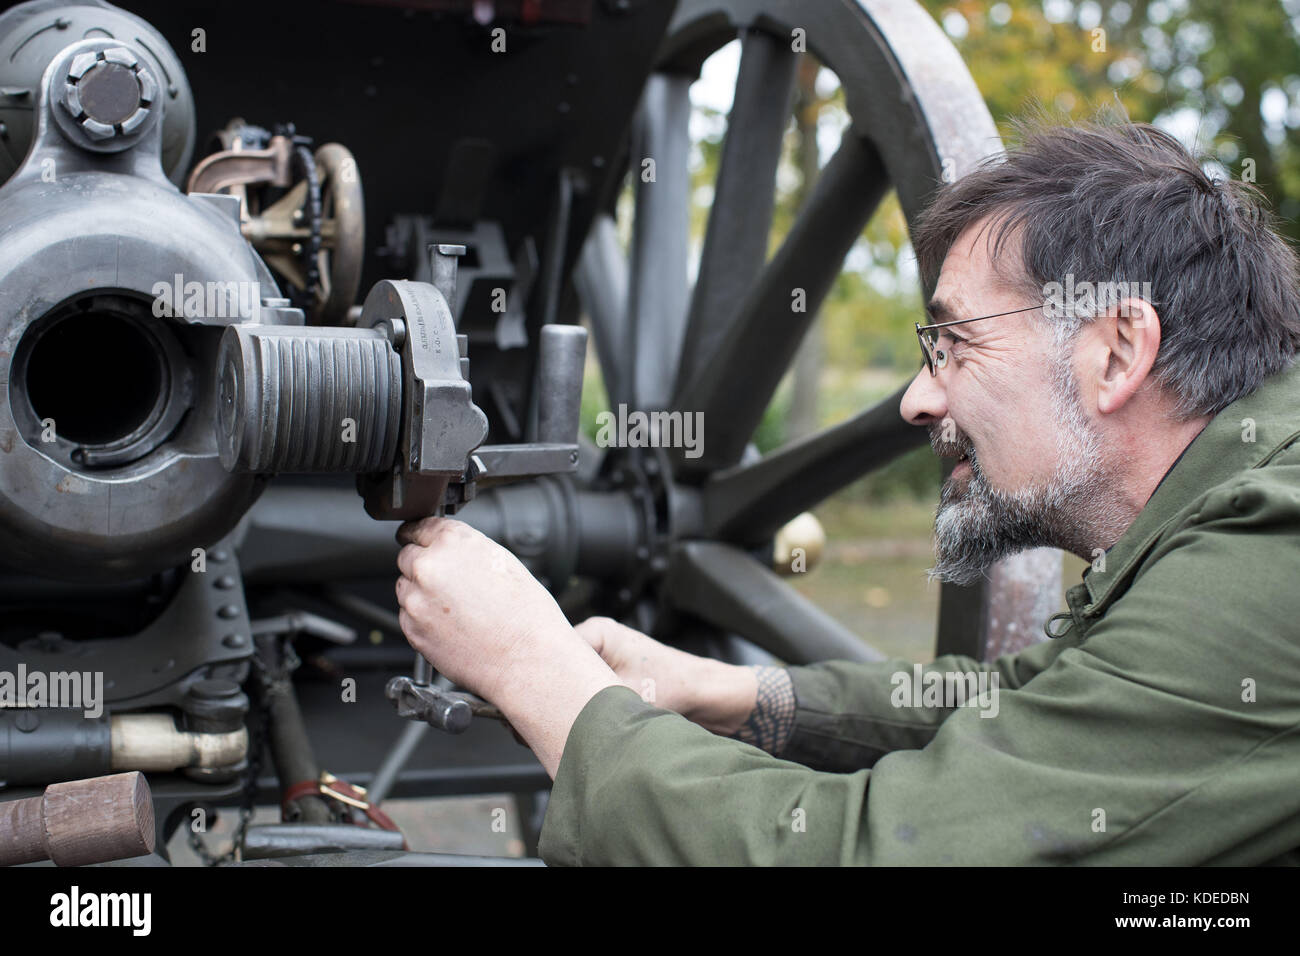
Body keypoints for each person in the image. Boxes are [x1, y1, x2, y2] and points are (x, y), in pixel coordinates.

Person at [393, 117, 1300, 864]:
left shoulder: (1269, 554)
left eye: (955, 344)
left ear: (1116, 352)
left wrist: (533, 672)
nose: (917, 398)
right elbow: (1026, 704)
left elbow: (872, 855)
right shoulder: (1227, 512)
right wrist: (724, 691)